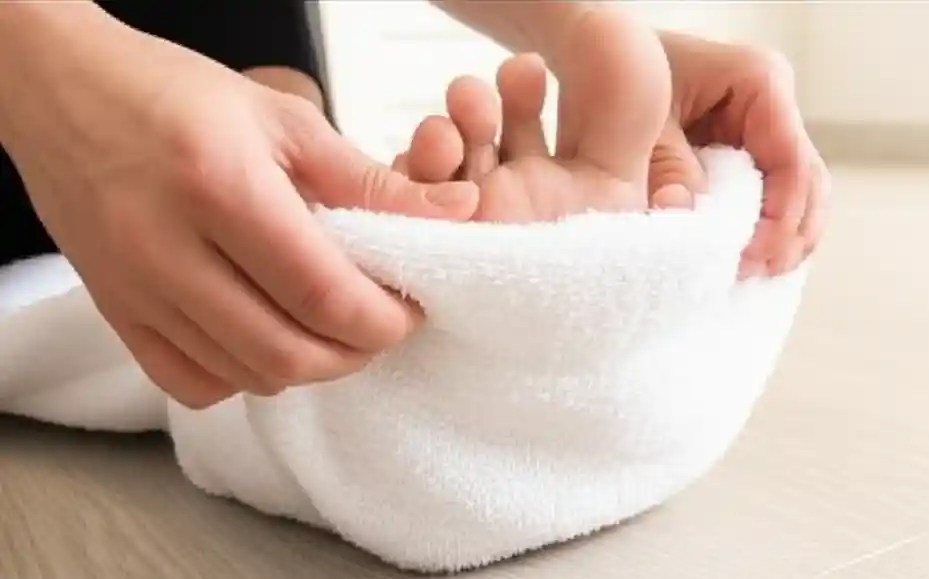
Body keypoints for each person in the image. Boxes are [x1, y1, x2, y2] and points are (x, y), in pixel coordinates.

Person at [0, 1, 829, 409]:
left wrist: (565, 22)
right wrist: (38, 62)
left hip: (220, 79)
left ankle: (319, 225)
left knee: (276, 244)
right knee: (264, 284)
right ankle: (458, 293)